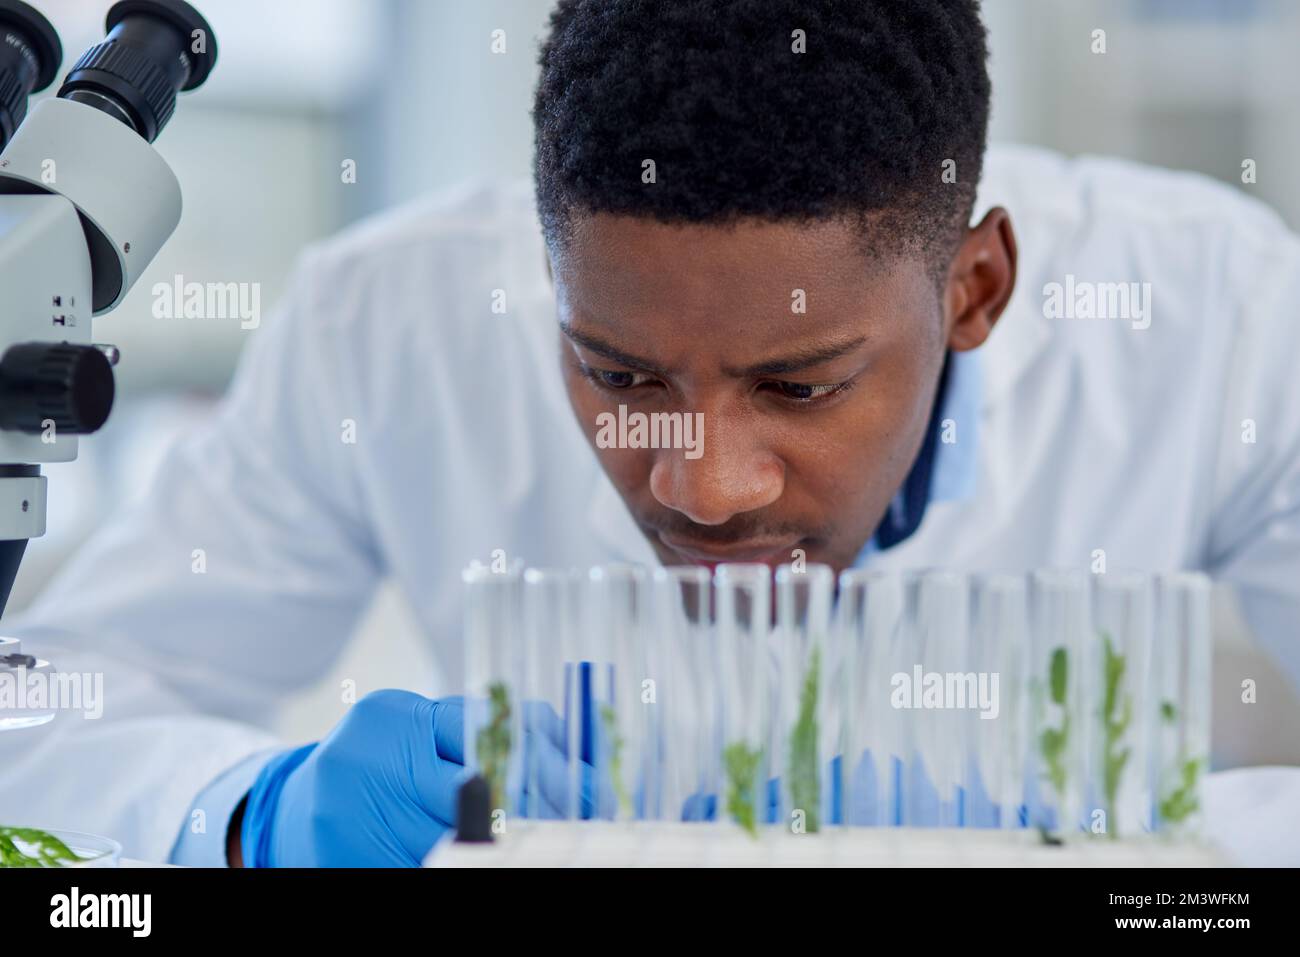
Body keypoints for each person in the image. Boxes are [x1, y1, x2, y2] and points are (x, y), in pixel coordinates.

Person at [2, 0, 1297, 866]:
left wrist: (1169, 853)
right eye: (617, 373)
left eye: (800, 385)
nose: (707, 485)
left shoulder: (1218, 315)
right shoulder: (392, 321)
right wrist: (258, 817)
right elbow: (40, 719)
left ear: (975, 289)